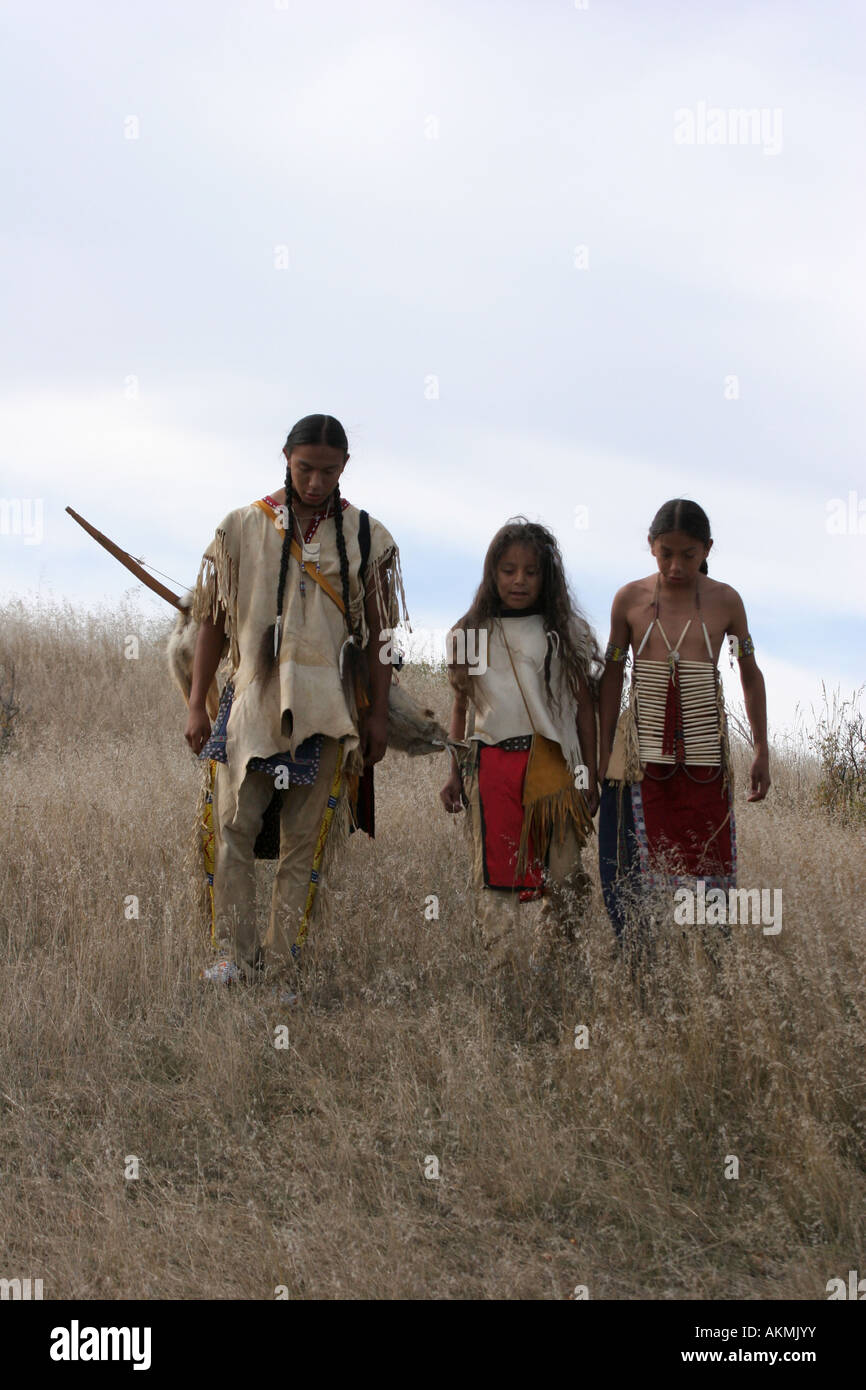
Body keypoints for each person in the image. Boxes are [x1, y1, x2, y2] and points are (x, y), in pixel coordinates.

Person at [184, 413, 409, 990]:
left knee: (302, 843)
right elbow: (211, 617)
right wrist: (195, 704)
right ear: (285, 456)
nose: (314, 482)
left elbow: (382, 634)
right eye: (305, 468)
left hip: (329, 710)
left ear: (345, 468)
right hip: (252, 704)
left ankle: (284, 964)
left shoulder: (366, 536)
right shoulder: (240, 526)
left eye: (327, 471)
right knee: (232, 827)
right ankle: (232, 958)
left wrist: (377, 714)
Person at [597, 498, 769, 939]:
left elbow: (749, 674)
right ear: (650, 545)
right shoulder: (629, 599)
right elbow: (612, 674)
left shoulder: (726, 601)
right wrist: (601, 750)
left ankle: (708, 966)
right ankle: (640, 963)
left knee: (706, 870)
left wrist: (761, 748)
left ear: (708, 548)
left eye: (688, 555)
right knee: (627, 872)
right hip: (638, 758)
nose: (676, 566)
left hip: (704, 761)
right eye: (665, 554)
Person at [440, 518, 600, 973]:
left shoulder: (566, 630)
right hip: (493, 764)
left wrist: (589, 773)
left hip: (556, 766)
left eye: (531, 572)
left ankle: (556, 967)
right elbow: (460, 705)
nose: (519, 580)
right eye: (508, 570)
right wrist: (454, 772)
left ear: (546, 577)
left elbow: (583, 707)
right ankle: (503, 975)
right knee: (497, 877)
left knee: (567, 877)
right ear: (492, 573)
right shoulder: (471, 632)